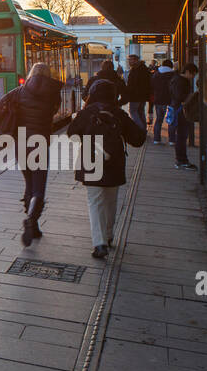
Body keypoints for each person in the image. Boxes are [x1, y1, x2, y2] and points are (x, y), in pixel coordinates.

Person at [69, 78, 146, 258]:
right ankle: (109, 235)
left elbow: (71, 134)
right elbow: (138, 139)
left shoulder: (87, 113)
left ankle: (99, 243)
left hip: (91, 163)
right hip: (114, 163)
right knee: (111, 201)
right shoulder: (118, 113)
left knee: (95, 203)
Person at [10, 62, 65, 246]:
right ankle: (31, 220)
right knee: (38, 188)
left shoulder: (19, 92)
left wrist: (8, 128)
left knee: (29, 184)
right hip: (40, 143)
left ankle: (33, 225)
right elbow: (55, 110)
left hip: (21, 143)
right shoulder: (53, 94)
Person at [169, 62, 198, 168]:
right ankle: (181, 160)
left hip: (176, 109)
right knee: (182, 135)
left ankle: (181, 159)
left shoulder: (175, 79)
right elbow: (180, 97)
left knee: (181, 135)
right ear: (187, 72)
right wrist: (190, 97)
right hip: (181, 111)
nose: (193, 77)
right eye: (193, 74)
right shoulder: (182, 81)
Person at [151, 55, 176, 144]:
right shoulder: (174, 75)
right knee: (171, 120)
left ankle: (156, 139)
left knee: (158, 120)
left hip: (158, 100)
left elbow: (152, 86)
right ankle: (172, 140)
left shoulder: (156, 74)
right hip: (170, 101)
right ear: (171, 66)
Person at [125, 54, 151, 129]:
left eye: (131, 60)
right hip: (143, 95)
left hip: (135, 96)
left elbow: (133, 84)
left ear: (136, 60)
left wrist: (128, 93)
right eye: (128, 60)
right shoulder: (143, 68)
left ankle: (140, 129)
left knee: (133, 112)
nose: (129, 61)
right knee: (140, 112)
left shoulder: (135, 70)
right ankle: (143, 129)